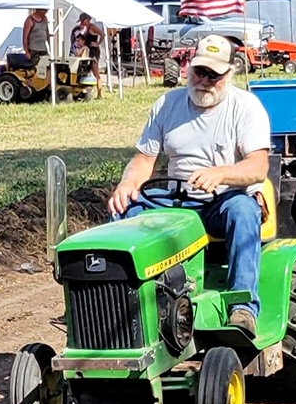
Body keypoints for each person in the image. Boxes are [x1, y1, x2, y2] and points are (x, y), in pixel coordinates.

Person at [108, 34, 271, 336]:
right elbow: (145, 160)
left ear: (229, 73)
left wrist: (221, 174)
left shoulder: (246, 107)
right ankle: (115, 303)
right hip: (175, 198)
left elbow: (258, 167)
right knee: (122, 212)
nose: (205, 80)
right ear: (188, 68)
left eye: (214, 75)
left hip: (221, 200)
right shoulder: (167, 104)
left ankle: (243, 307)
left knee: (244, 212)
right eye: (199, 71)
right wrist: (127, 183)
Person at [71, 13, 104, 99]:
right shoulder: (84, 28)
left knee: (96, 72)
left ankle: (99, 94)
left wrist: (98, 43)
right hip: (87, 50)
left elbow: (102, 34)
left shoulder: (92, 27)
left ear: (87, 20)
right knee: (86, 71)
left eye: (83, 21)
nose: (82, 23)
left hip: (93, 52)